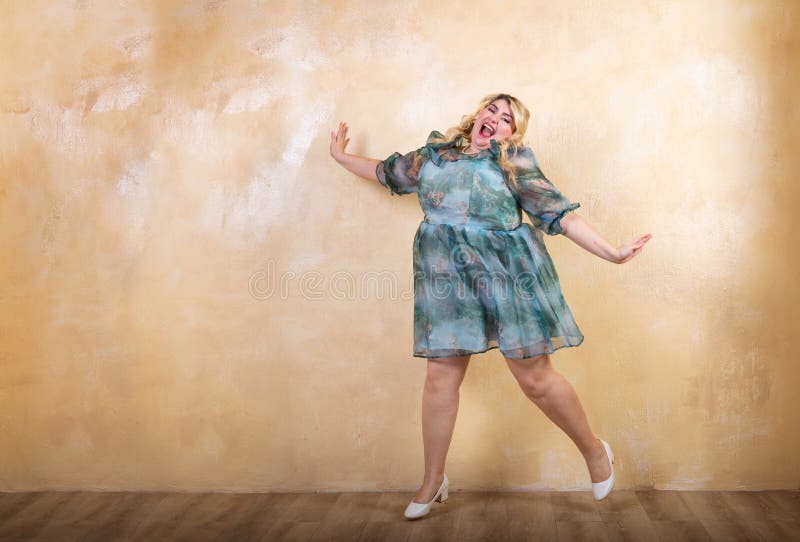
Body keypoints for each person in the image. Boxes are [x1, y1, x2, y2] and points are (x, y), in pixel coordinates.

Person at [329, 93, 652, 520]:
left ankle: (595, 450)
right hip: (446, 280)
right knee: (439, 378)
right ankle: (432, 481)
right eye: (492, 111)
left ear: (512, 133)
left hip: (507, 278)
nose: (496, 120)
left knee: (534, 378)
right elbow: (385, 172)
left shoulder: (512, 163)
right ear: (478, 114)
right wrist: (340, 156)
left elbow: (559, 215)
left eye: (507, 120)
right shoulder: (434, 157)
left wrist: (612, 252)